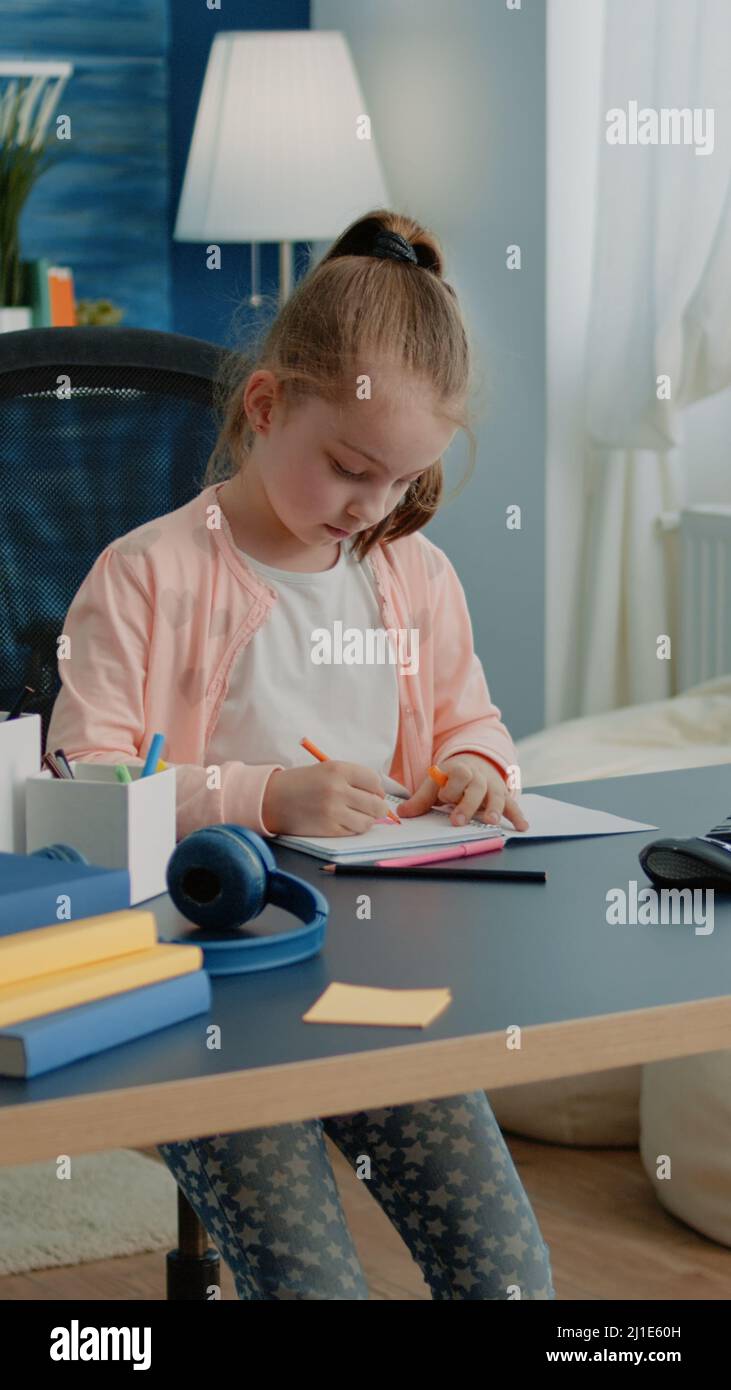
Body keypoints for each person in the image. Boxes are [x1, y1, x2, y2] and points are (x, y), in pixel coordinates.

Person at [47, 209, 555, 1300]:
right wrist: (267, 795)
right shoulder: (144, 577)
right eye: (347, 469)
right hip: (203, 991)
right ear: (266, 406)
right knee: (312, 1285)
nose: (373, 508)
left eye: (402, 483)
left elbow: (473, 721)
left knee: (509, 1271)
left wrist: (480, 768)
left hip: (379, 979)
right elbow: (86, 797)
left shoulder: (410, 575)